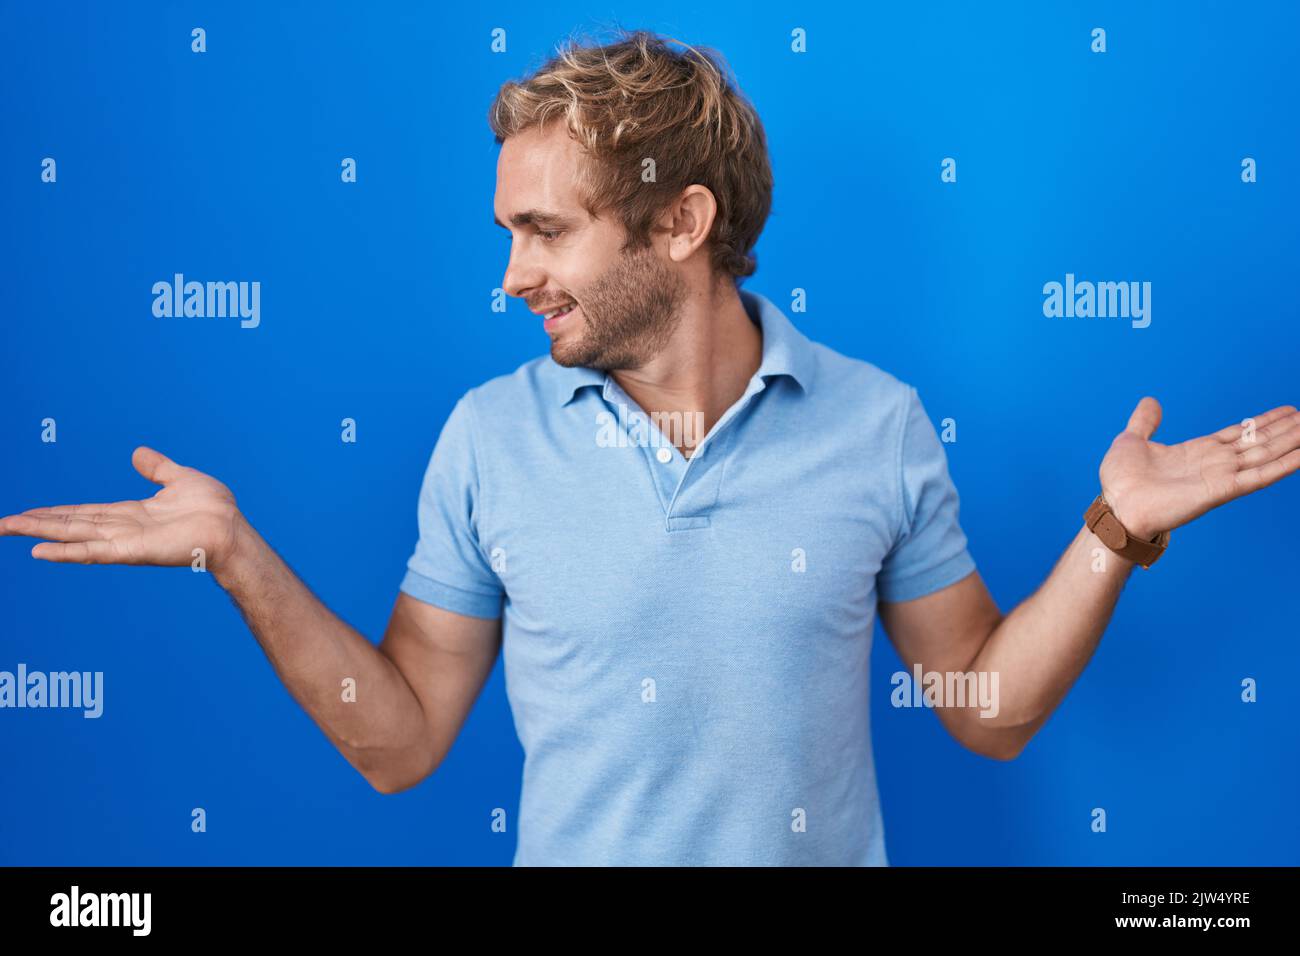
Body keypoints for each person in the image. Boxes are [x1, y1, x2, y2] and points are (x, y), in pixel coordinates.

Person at [3, 30, 1297, 866]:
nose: (511, 275)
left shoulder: (878, 422)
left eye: (545, 232)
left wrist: (1113, 533)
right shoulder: (489, 435)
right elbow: (397, 743)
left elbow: (986, 714)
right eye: (508, 232)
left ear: (681, 221)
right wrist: (239, 558)